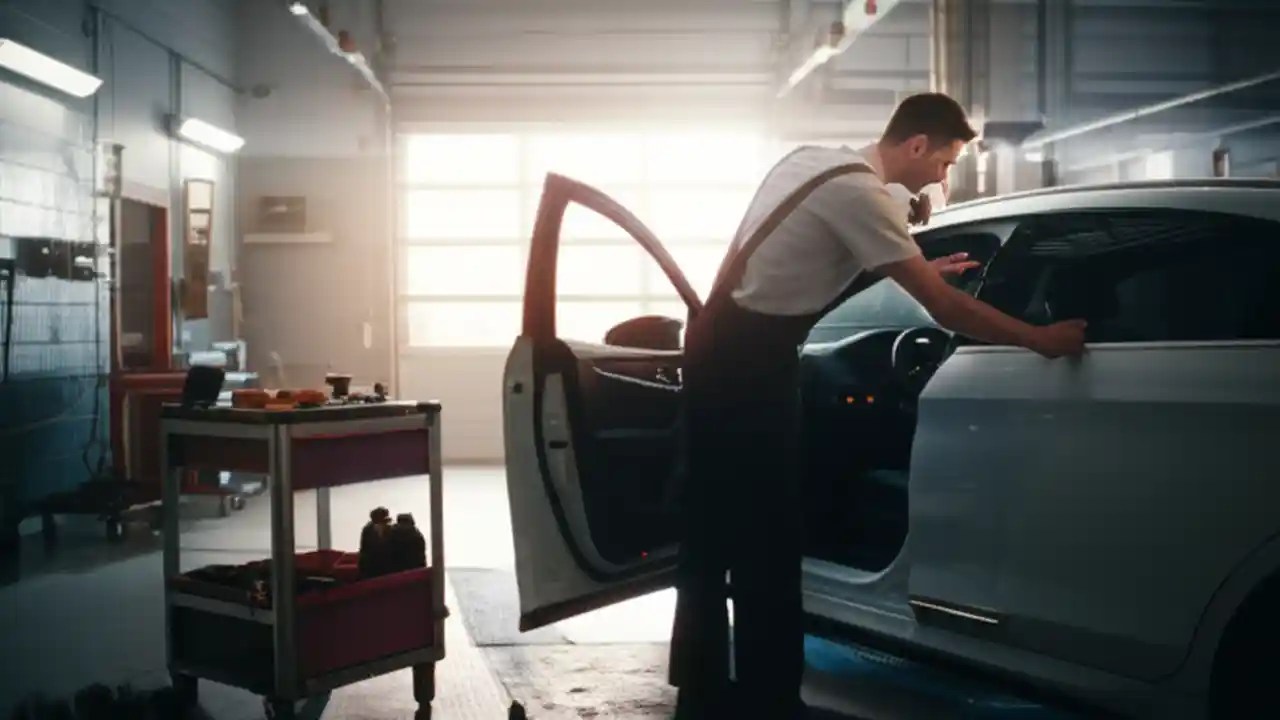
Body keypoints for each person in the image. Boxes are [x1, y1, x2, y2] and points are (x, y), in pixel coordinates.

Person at [667, 92, 1086, 719]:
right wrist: (1041, 340)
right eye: (945, 163)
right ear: (916, 145)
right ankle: (771, 701)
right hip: (753, 366)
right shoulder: (863, 196)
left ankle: (701, 688)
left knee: (709, 531)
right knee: (770, 541)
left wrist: (917, 264)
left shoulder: (811, 162)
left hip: (712, 346)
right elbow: (946, 312)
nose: (943, 177)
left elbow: (804, 253)